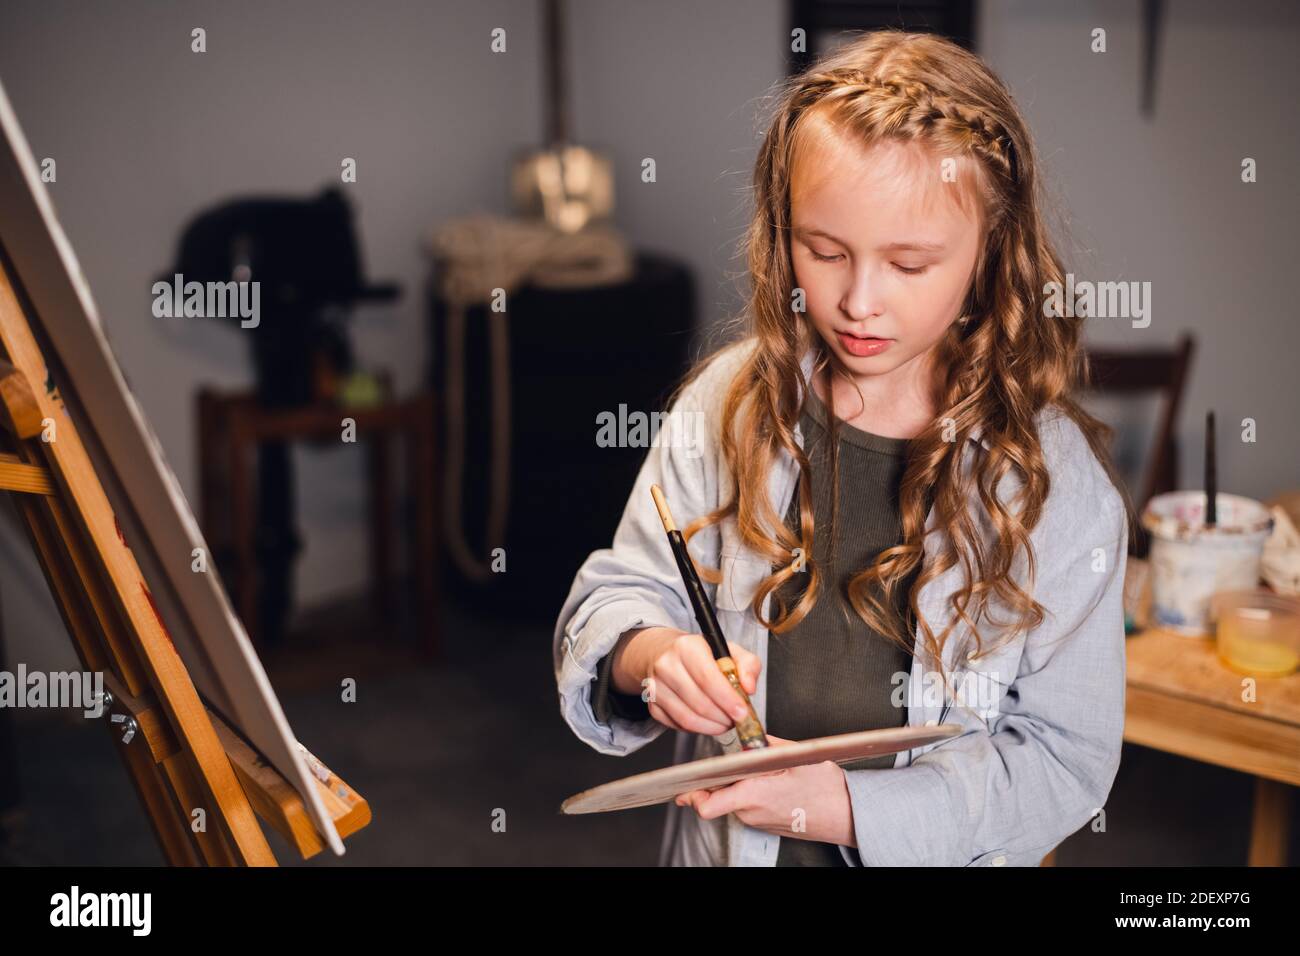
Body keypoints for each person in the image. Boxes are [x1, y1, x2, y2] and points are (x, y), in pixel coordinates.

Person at [553, 28, 1136, 867]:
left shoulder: (1052, 482)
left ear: (989, 255)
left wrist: (854, 808)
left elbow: (1063, 759)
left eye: (910, 263)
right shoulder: (725, 405)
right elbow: (625, 588)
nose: (859, 301)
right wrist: (649, 657)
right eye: (824, 252)